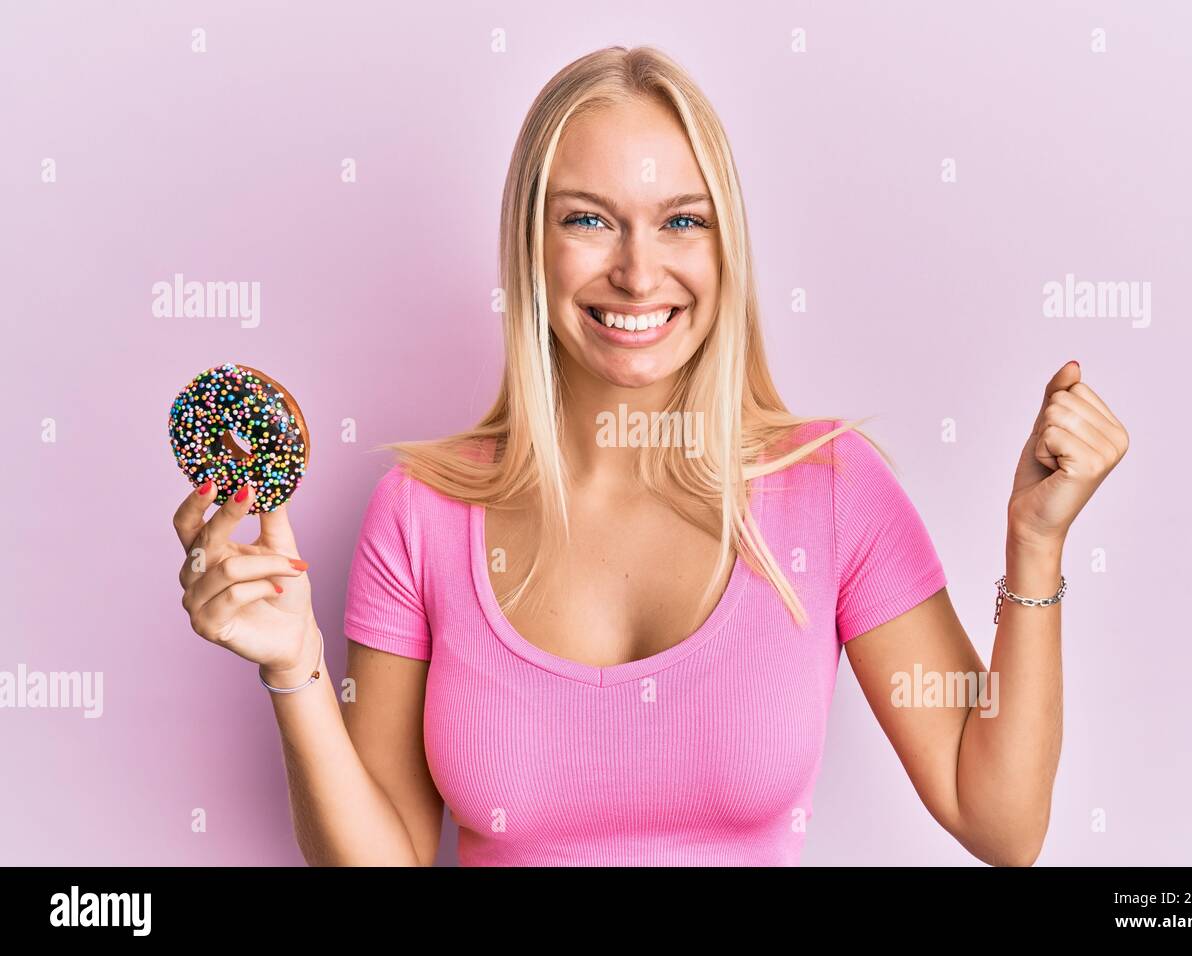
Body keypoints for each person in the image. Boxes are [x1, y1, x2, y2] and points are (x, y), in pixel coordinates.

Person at [172, 46, 1129, 867]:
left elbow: (1000, 822)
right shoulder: (420, 512)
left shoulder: (832, 492)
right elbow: (385, 859)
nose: (637, 270)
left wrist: (1034, 549)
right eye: (587, 218)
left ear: (728, 249)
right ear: (530, 247)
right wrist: (293, 667)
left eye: (682, 219)